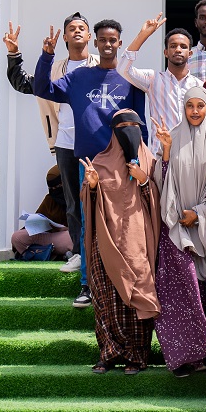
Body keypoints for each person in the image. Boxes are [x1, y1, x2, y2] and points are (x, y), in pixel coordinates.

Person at [33, 19, 147, 308]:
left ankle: (125, 282)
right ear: (96, 43)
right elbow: (43, 88)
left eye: (113, 40)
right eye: (103, 40)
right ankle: (87, 285)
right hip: (90, 163)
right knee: (89, 224)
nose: (108, 44)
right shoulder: (79, 77)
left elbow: (139, 123)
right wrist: (47, 56)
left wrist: (138, 159)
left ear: (120, 43)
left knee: (124, 223)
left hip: (123, 162)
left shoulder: (130, 77)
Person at [2, 13, 98, 284]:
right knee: (73, 202)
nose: (77, 31)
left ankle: (100, 254)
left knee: (99, 199)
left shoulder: (99, 67)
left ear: (89, 36)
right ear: (65, 37)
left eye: (82, 28)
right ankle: (79, 253)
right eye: (71, 29)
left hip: (95, 144)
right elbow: (24, 83)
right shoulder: (54, 70)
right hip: (65, 143)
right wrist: (13, 53)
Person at [79, 110, 160, 375]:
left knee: (136, 295)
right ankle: (108, 354)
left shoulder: (150, 160)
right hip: (106, 239)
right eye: (121, 126)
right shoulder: (100, 163)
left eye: (133, 126)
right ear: (113, 132)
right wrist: (92, 186)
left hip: (137, 242)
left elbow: (159, 200)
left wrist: (144, 180)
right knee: (106, 298)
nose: (128, 131)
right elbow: (88, 201)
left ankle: (136, 357)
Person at [150, 93, 206, 377]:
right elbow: (161, 180)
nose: (194, 110)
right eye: (189, 105)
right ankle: (181, 358)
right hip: (175, 226)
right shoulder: (173, 136)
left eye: (200, 105)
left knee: (203, 290)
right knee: (179, 291)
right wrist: (166, 151)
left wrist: (200, 214)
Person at [118, 14, 206, 157]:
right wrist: (143, 35)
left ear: (190, 53)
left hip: (191, 158)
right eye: (173, 46)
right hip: (160, 156)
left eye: (183, 47)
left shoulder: (198, 85)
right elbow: (122, 68)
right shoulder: (153, 79)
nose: (178, 49)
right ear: (165, 52)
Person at [10, 165, 74, 261]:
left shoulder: (76, 198)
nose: (55, 190)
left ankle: (48, 254)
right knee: (17, 236)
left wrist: (67, 228)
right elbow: (35, 224)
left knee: (72, 238)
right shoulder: (50, 199)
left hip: (68, 236)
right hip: (50, 237)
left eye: (59, 186)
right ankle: (46, 254)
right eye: (52, 187)